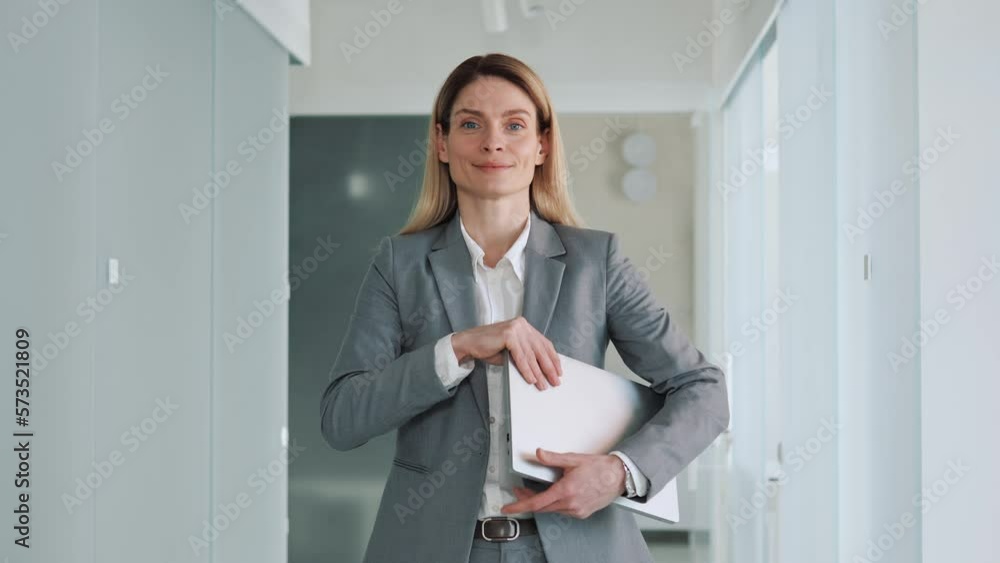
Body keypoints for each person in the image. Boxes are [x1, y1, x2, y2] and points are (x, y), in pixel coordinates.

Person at [320, 53, 730, 563]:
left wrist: (619, 471)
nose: (493, 142)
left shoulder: (595, 263)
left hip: (580, 547)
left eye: (514, 125)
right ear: (442, 143)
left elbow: (704, 390)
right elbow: (343, 418)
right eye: (471, 124)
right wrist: (459, 348)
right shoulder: (399, 265)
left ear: (541, 145)